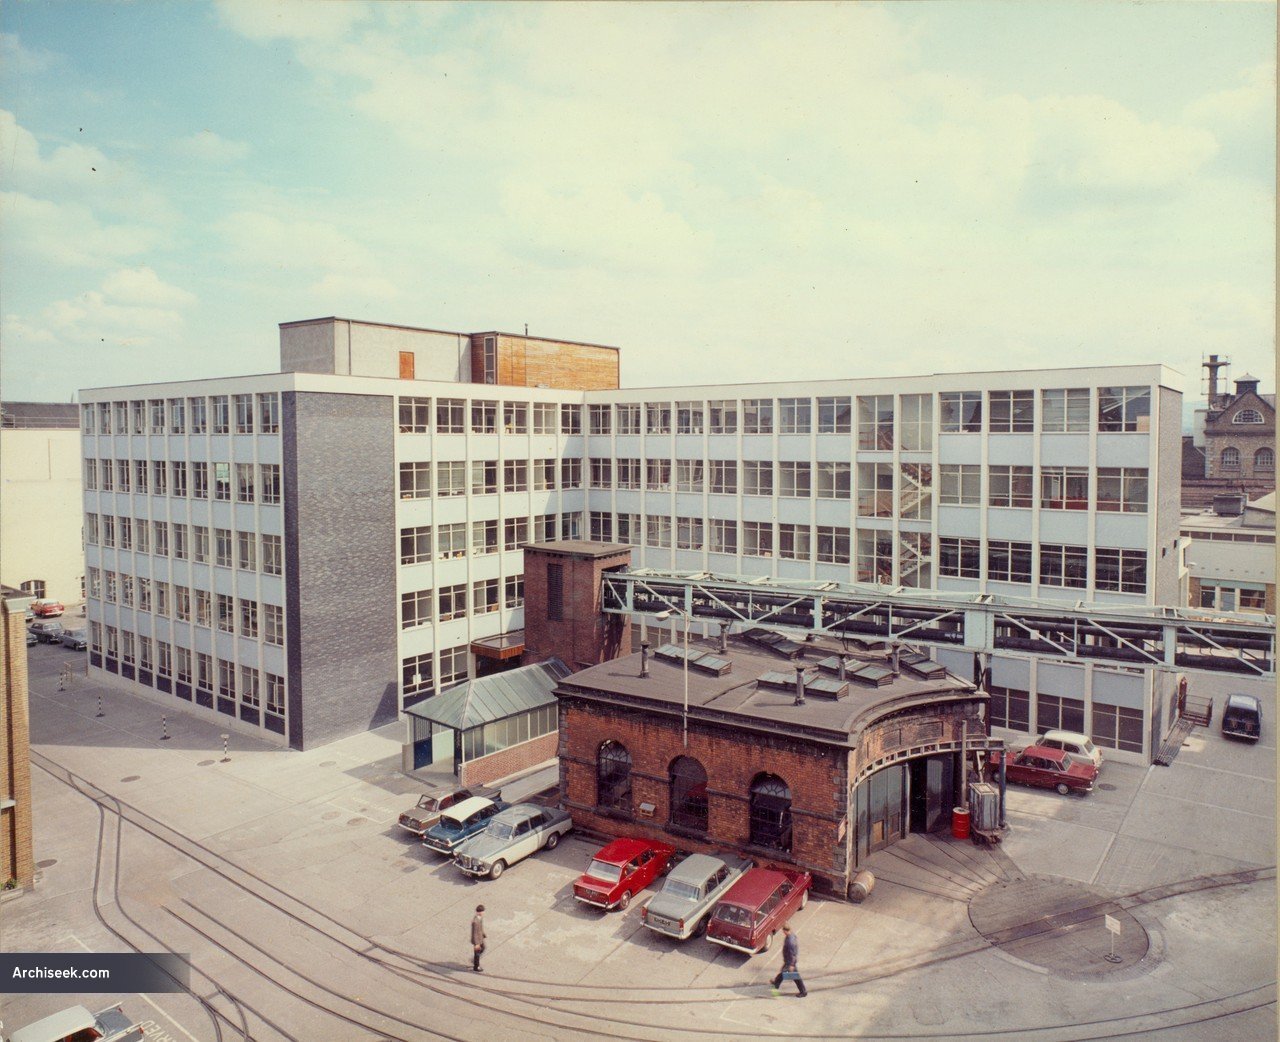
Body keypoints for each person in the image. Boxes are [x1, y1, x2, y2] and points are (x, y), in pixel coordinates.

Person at [770, 924, 807, 997]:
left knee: (794, 977)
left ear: (785, 931)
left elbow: (792, 954)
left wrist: (792, 965)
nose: (783, 933)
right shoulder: (792, 935)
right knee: (783, 973)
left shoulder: (790, 941)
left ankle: (803, 992)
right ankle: (776, 984)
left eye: (783, 931)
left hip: (790, 962)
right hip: (788, 961)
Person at [471, 904, 486, 972]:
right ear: (479, 912)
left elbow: (480, 927)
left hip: (480, 938)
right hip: (477, 940)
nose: (483, 913)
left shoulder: (480, 918)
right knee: (477, 953)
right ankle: (476, 967)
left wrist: (483, 934)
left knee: (483, 948)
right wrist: (477, 944)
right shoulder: (475, 921)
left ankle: (475, 961)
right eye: (482, 911)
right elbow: (474, 933)